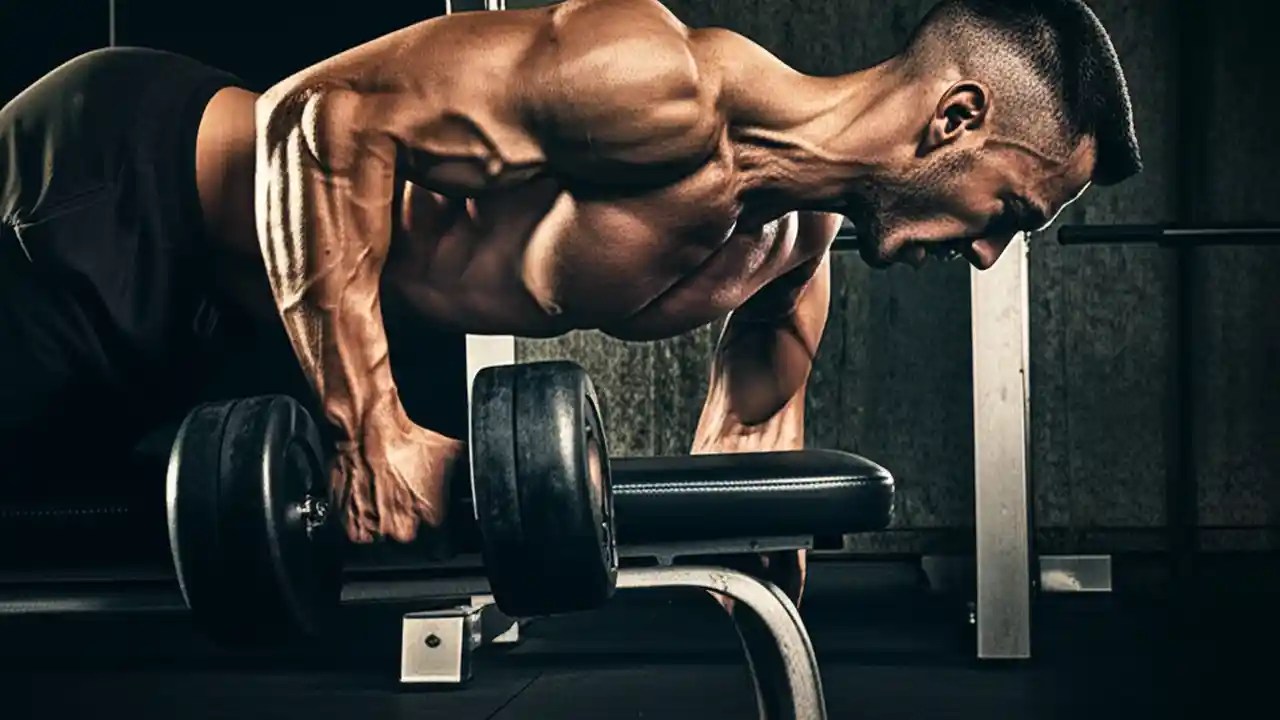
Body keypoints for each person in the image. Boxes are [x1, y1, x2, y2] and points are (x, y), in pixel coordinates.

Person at [0, 0, 1140, 604]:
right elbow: (319, 124)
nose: (991, 254)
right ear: (953, 119)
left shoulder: (795, 246)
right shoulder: (653, 84)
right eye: (1007, 211)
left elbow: (741, 466)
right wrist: (371, 434)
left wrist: (748, 575)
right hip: (121, 181)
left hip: (225, 308)